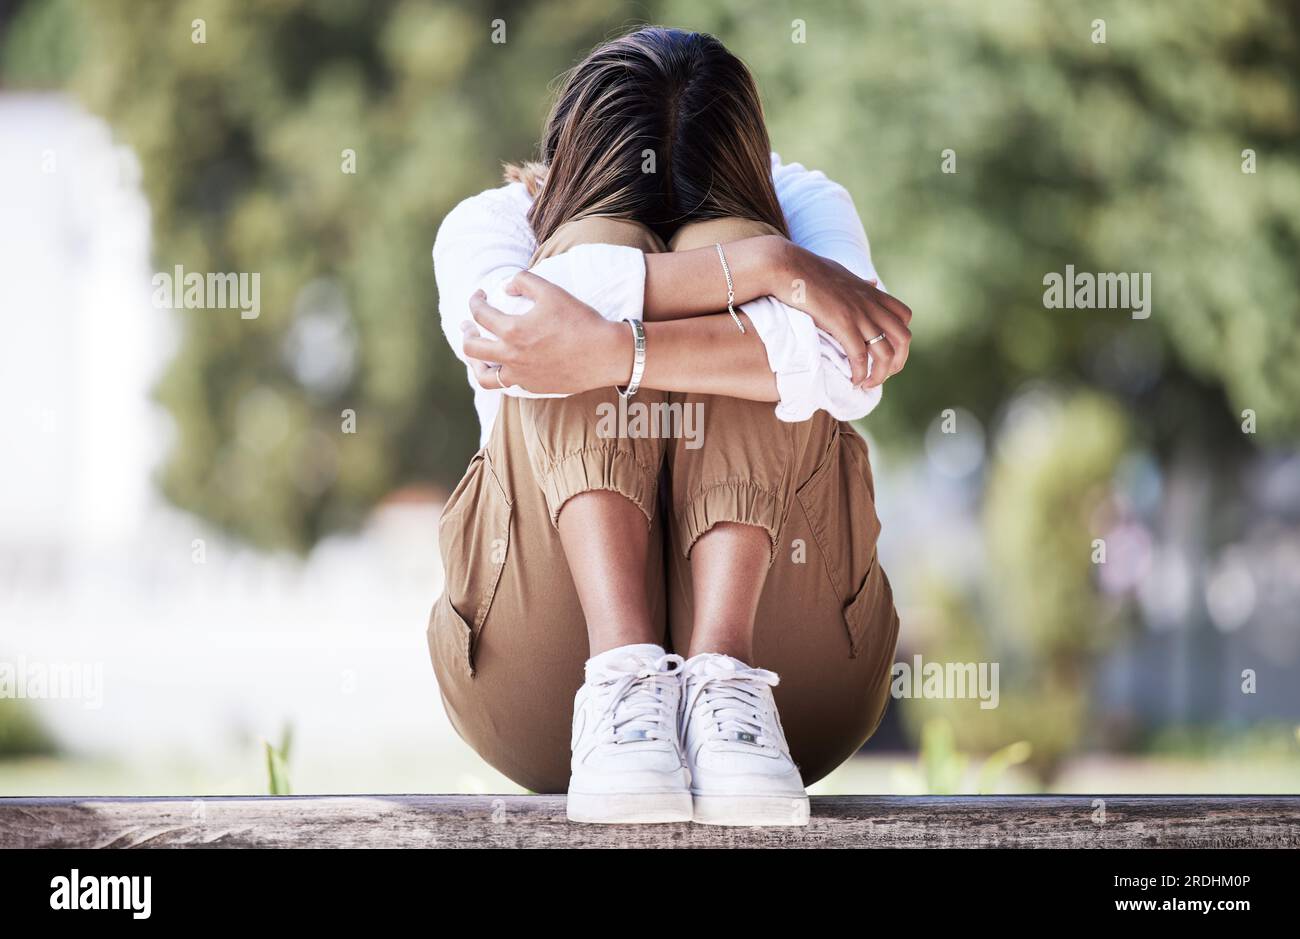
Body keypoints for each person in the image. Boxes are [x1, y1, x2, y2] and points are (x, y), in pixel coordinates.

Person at [429, 26, 910, 825]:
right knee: (583, 258)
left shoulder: (805, 202)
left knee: (724, 241)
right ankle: (622, 676)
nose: (666, 222)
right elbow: (513, 331)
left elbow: (854, 365)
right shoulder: (493, 221)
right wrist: (774, 274)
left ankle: (725, 676)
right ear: (573, 171)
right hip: (541, 690)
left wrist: (619, 343)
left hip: (796, 695)